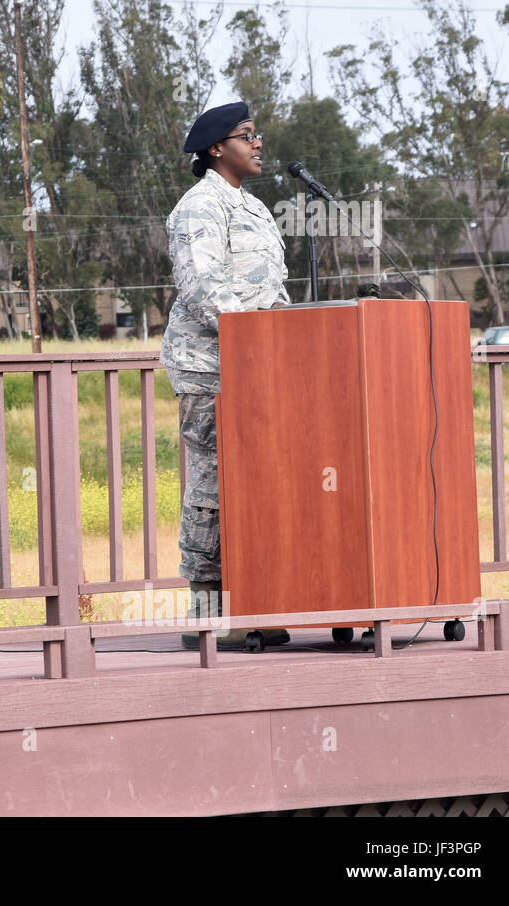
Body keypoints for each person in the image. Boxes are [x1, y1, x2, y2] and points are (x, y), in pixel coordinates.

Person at [160, 101, 291, 649]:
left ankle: (261, 599)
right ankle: (209, 609)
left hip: (260, 367)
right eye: (247, 135)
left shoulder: (254, 208)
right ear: (217, 148)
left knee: (263, 478)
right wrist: (253, 340)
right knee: (215, 481)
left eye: (257, 135)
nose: (258, 144)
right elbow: (203, 289)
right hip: (212, 367)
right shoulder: (199, 208)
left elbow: (272, 291)